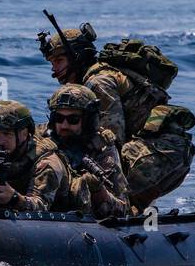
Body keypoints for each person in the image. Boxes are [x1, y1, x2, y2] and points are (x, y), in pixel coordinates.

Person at [38, 21, 195, 210]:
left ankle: (123, 212)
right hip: (166, 152)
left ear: (76, 57)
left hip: (162, 153)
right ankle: (135, 212)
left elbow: (111, 139)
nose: (54, 70)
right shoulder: (98, 75)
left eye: (58, 61)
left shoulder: (98, 82)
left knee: (105, 164)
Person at [40, 84, 129, 219]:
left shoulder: (102, 148)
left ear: (88, 121)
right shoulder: (40, 136)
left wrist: (98, 190)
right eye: (59, 118)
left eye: (73, 120)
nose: (64, 125)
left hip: (77, 215)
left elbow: (121, 211)